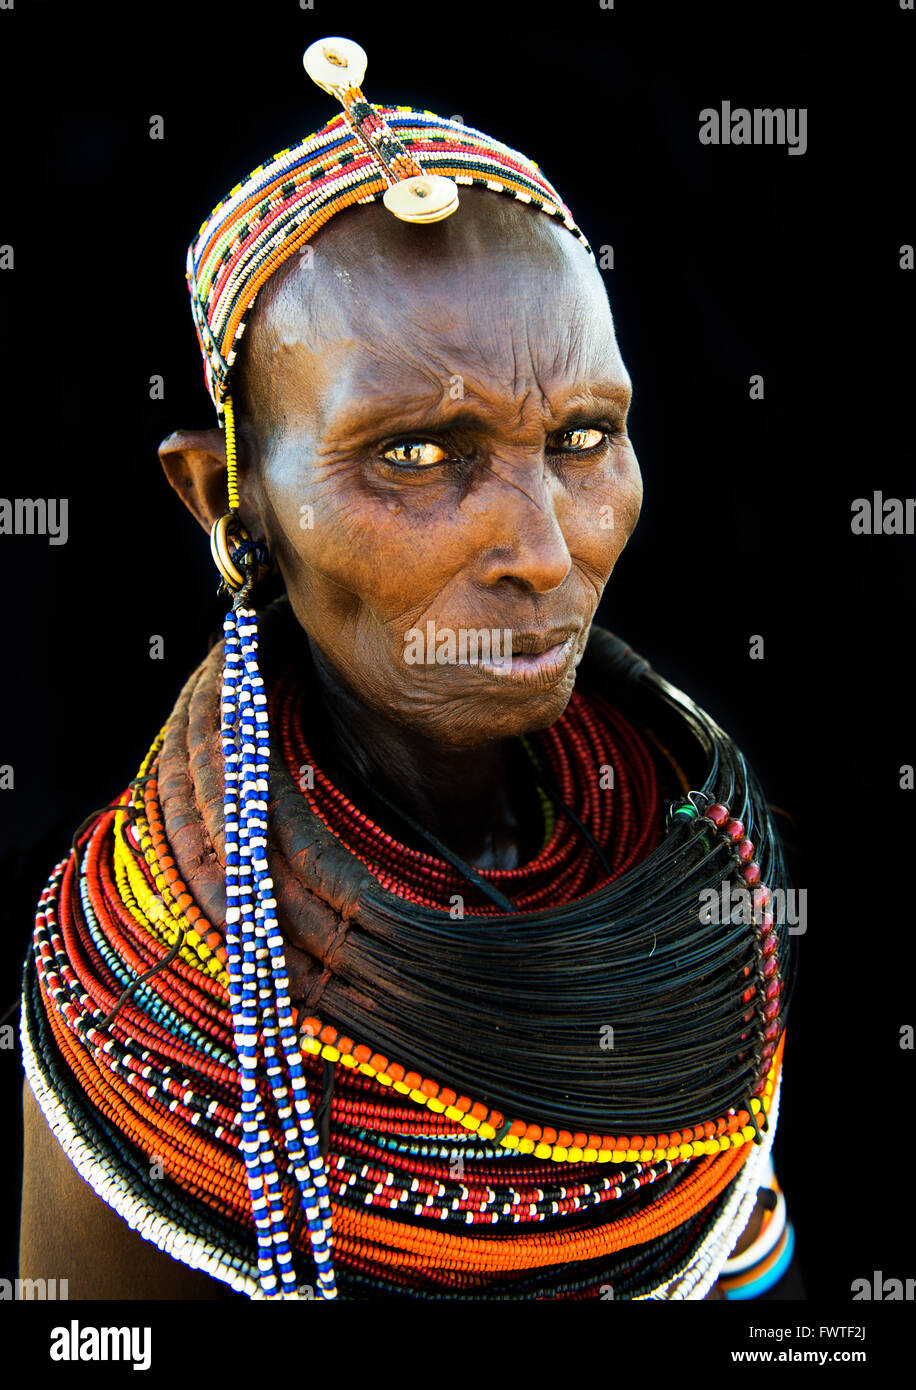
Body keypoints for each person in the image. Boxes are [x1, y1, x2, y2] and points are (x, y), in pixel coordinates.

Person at [19, 38, 800, 1300]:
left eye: (584, 438)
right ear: (230, 503)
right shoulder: (137, 984)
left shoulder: (699, 860)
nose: (545, 550)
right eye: (421, 456)